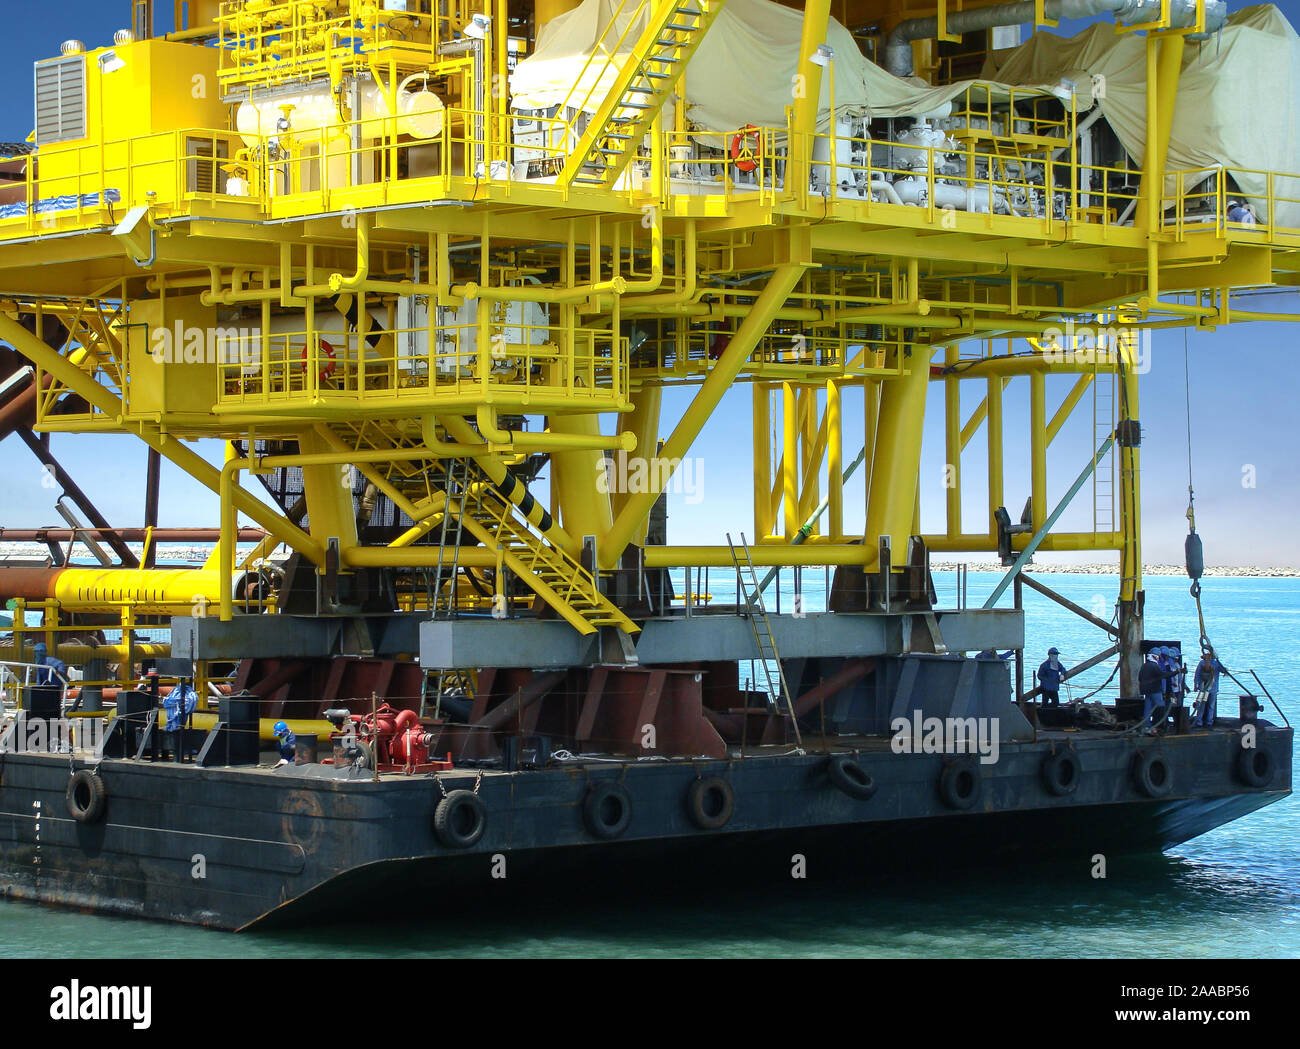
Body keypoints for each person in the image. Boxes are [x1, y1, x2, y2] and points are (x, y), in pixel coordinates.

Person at [1138, 649, 1179, 733]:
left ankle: (1146, 726)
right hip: (1155, 690)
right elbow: (1163, 675)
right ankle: (1161, 725)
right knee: (1160, 707)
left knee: (1148, 708)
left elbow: (1139, 678)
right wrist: (1176, 672)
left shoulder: (1144, 666)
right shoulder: (1154, 666)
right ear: (1155, 656)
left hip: (1146, 690)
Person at [1193, 648, 1226, 727]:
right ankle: (1199, 721)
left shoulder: (1216, 664)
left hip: (1213, 688)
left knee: (1211, 705)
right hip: (1203, 688)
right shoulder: (1201, 663)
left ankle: (1209, 721)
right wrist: (1196, 684)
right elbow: (1197, 674)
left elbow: (1223, 670)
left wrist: (1223, 667)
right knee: (1201, 705)